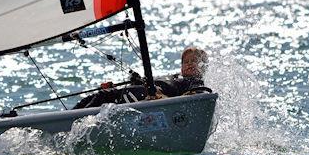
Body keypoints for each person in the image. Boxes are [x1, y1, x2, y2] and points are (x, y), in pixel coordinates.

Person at [73, 46, 209, 109]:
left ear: (202, 67)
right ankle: (68, 116)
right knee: (100, 95)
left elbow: (198, 95)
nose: (189, 64)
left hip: (147, 95)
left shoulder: (195, 83)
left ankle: (73, 120)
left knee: (105, 97)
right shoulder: (176, 77)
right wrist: (137, 81)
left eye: (194, 61)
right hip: (142, 91)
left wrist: (162, 95)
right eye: (186, 62)